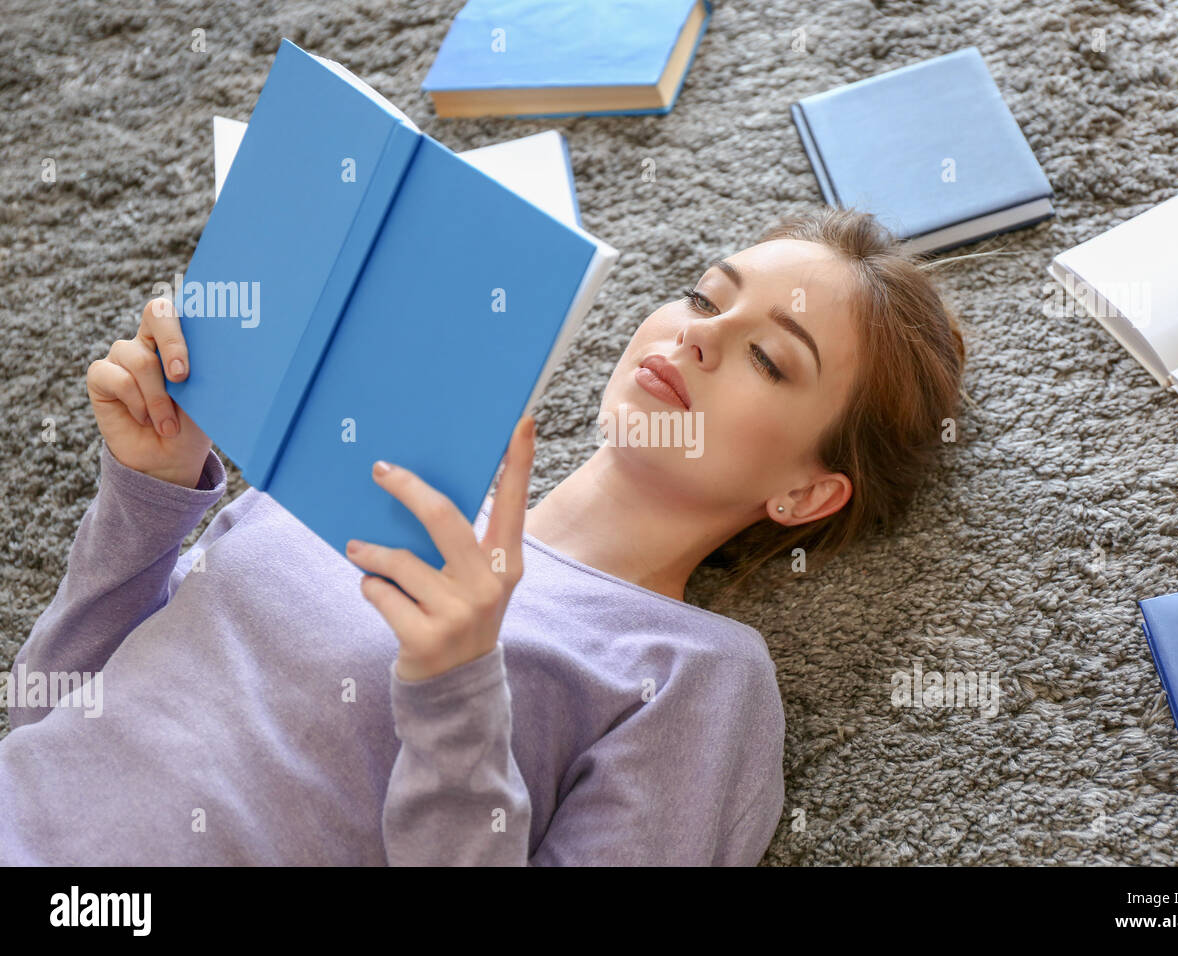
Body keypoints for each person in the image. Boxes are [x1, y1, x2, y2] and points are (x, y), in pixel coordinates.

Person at [0, 207, 965, 865]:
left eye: (768, 356)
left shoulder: (694, 674)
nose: (698, 336)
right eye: (707, 297)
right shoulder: (378, 461)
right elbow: (49, 720)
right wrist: (149, 492)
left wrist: (456, 686)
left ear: (806, 494)